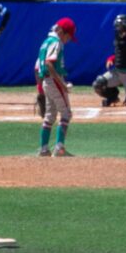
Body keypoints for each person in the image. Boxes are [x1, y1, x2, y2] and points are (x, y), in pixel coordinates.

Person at [34, 17, 76, 158]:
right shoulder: (56, 42)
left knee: (50, 115)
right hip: (54, 81)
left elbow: (36, 68)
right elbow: (49, 63)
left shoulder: (45, 42)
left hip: (46, 82)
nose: (68, 40)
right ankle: (59, 148)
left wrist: (40, 89)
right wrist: (62, 85)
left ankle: (44, 149)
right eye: (68, 37)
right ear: (63, 32)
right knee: (66, 113)